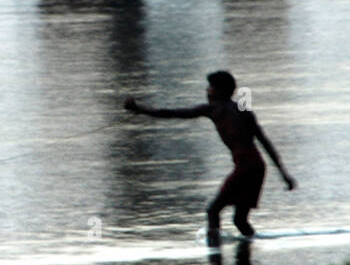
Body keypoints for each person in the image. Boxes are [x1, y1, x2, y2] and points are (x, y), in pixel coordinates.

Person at [125, 71, 295, 245]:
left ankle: (215, 256)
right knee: (240, 221)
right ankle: (254, 248)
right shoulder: (243, 111)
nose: (207, 91)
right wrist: (284, 174)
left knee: (213, 211)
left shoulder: (214, 109)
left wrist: (139, 109)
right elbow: (265, 143)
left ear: (220, 91)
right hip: (258, 167)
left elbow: (171, 113)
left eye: (210, 87)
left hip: (245, 167)